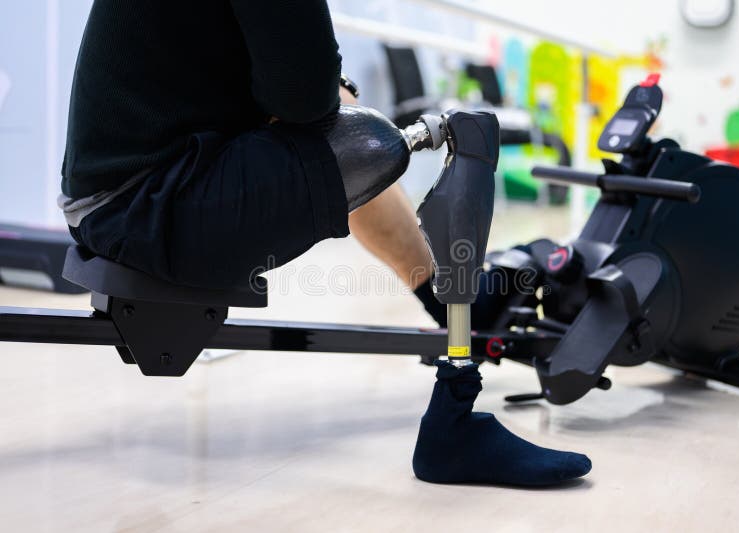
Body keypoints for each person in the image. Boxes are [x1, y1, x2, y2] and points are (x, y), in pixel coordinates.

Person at [60, 0, 591, 486]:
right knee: (369, 141)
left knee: (341, 124)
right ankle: (455, 383)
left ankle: (452, 302)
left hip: (123, 193)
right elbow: (304, 94)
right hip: (146, 205)